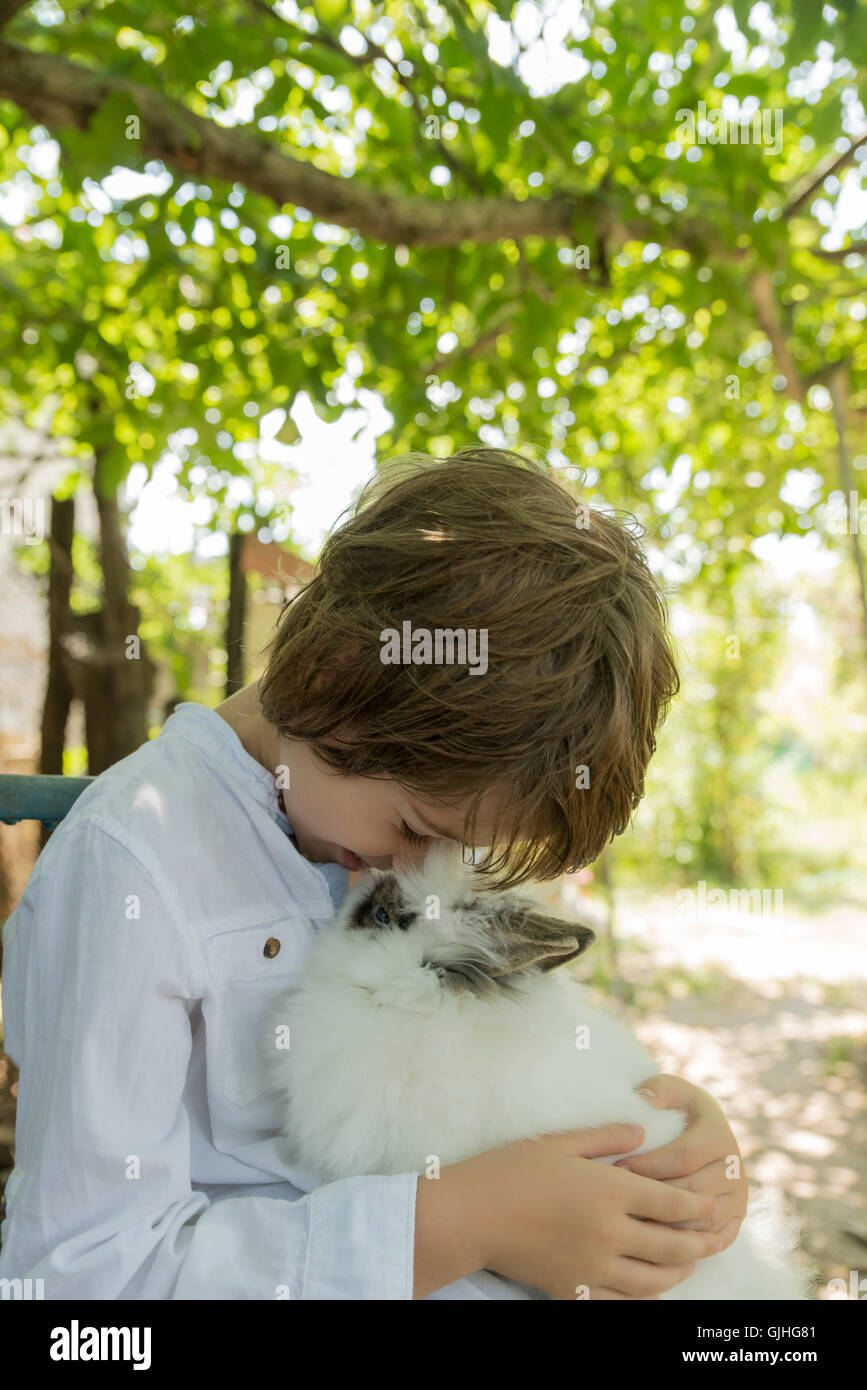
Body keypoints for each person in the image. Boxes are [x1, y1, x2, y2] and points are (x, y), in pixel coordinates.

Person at [0, 447, 744, 1299]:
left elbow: (495, 1071)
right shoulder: (135, 862)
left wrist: (665, 1140)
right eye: (415, 828)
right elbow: (83, 1275)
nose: (423, 872)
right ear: (332, 674)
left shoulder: (356, 832)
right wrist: (464, 1223)